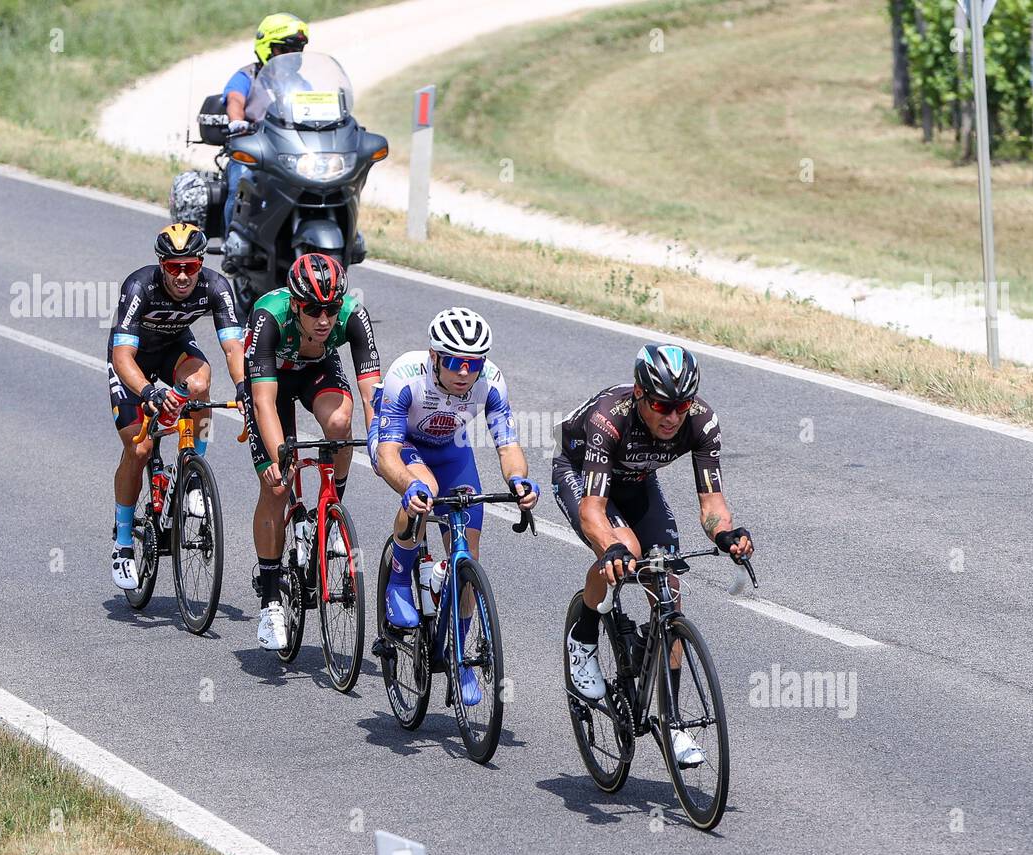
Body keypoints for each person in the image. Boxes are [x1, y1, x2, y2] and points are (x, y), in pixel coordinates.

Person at [552, 344, 753, 767]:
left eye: (682, 405)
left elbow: (712, 503)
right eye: (662, 404)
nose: (673, 416)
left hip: (637, 482)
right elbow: (592, 511)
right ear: (642, 394)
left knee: (668, 586)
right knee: (625, 550)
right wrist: (611, 546)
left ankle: (673, 722)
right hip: (581, 474)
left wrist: (726, 535)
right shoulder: (610, 417)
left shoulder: (702, 421)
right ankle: (583, 638)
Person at [368, 308, 540, 705]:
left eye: (474, 364)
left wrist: (518, 481)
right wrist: (409, 486)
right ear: (434, 357)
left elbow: (508, 445)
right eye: (456, 363)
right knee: (424, 489)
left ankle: (458, 659)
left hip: (452, 453)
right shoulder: (406, 377)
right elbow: (389, 454)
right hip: (400, 445)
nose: (465, 373)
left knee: (467, 558)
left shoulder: (491, 382)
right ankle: (398, 582)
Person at [243, 253, 380, 651]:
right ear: (295, 303)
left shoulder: (353, 315)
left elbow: (372, 392)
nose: (324, 320)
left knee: (340, 424)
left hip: (315, 371)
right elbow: (264, 402)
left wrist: (379, 443)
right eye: (313, 310)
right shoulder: (269, 315)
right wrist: (277, 456)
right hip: (271, 383)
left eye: (331, 309)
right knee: (277, 487)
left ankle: (329, 511)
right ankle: (270, 599)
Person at [108, 223, 246, 589]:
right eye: (173, 267)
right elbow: (122, 355)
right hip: (134, 363)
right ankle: (123, 541)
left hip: (173, 350)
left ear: (201, 262)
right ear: (161, 264)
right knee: (139, 447)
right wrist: (150, 392)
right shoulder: (139, 286)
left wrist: (245, 387)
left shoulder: (215, 286)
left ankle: (192, 470)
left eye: (190, 266)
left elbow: (234, 348)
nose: (183, 275)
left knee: (200, 385)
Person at [221, 12, 310, 231]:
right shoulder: (247, 76)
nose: (292, 55)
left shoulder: (301, 84)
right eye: (285, 49)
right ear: (268, 48)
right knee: (240, 183)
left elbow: (313, 109)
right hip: (254, 149)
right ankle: (233, 240)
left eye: (297, 50)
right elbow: (234, 100)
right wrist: (237, 122)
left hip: (290, 151)